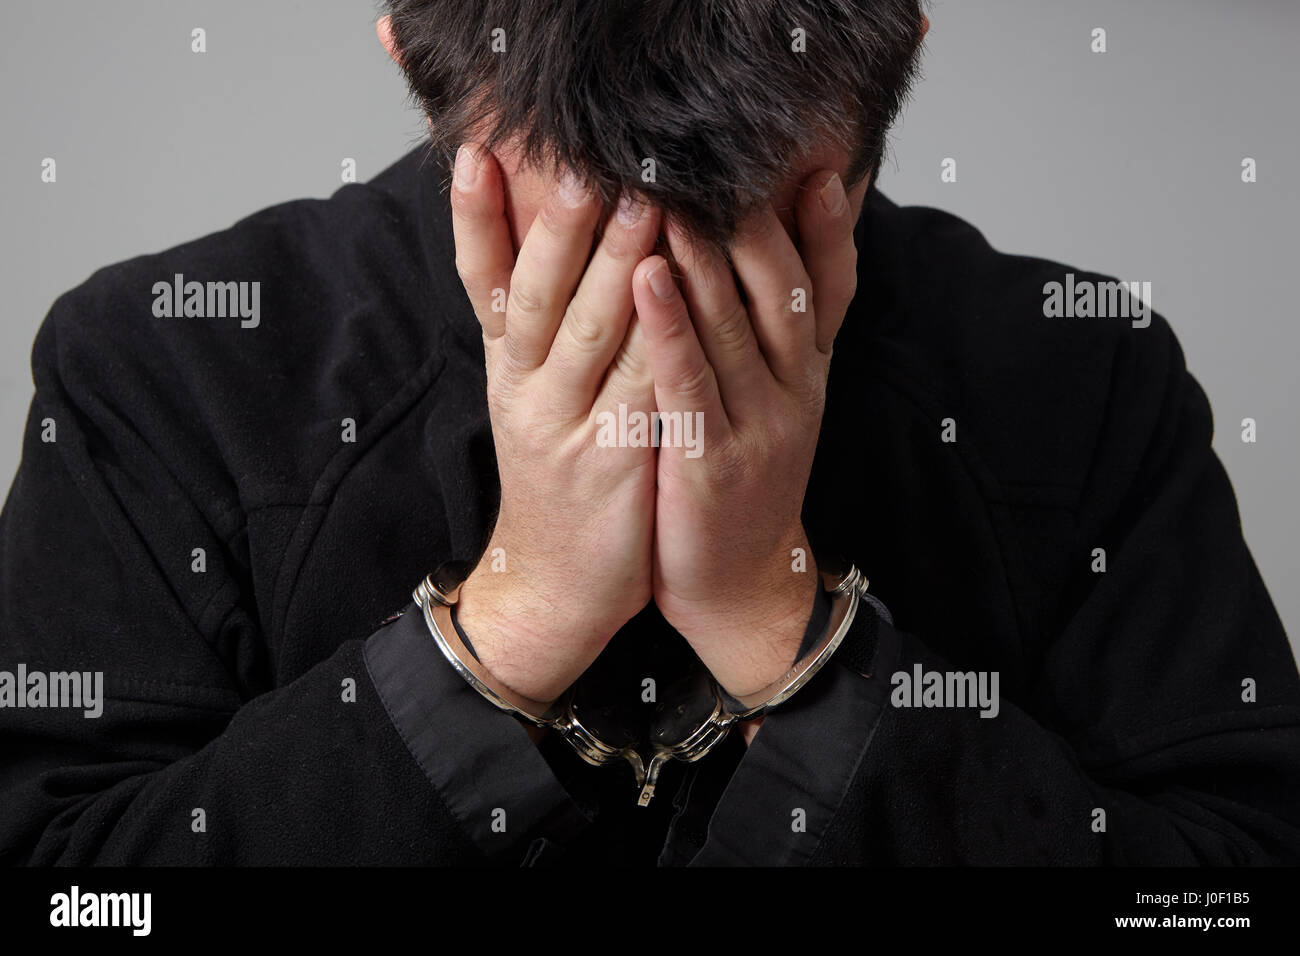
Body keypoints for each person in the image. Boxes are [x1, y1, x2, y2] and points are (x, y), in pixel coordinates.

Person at [1, 0, 1297, 866]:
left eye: (746, 216)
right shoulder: (162, 365)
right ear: (408, 49)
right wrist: (509, 624)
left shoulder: (1078, 375)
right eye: (586, 205)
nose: (660, 298)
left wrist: (795, 647)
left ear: (886, 80)